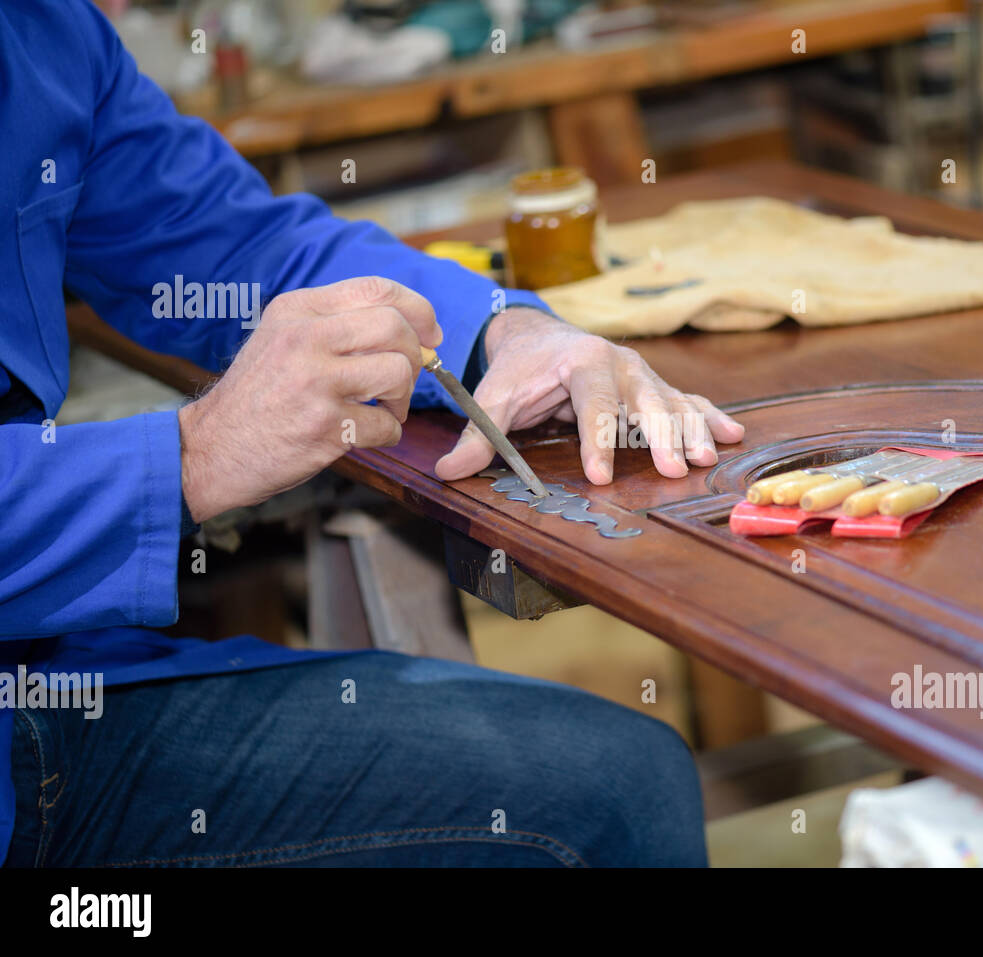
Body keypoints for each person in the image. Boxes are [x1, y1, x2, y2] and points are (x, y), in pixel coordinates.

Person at [0, 0, 744, 867]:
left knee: (617, 790)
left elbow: (236, 246)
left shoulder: (47, 30)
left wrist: (496, 330)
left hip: (48, 684)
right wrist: (194, 456)